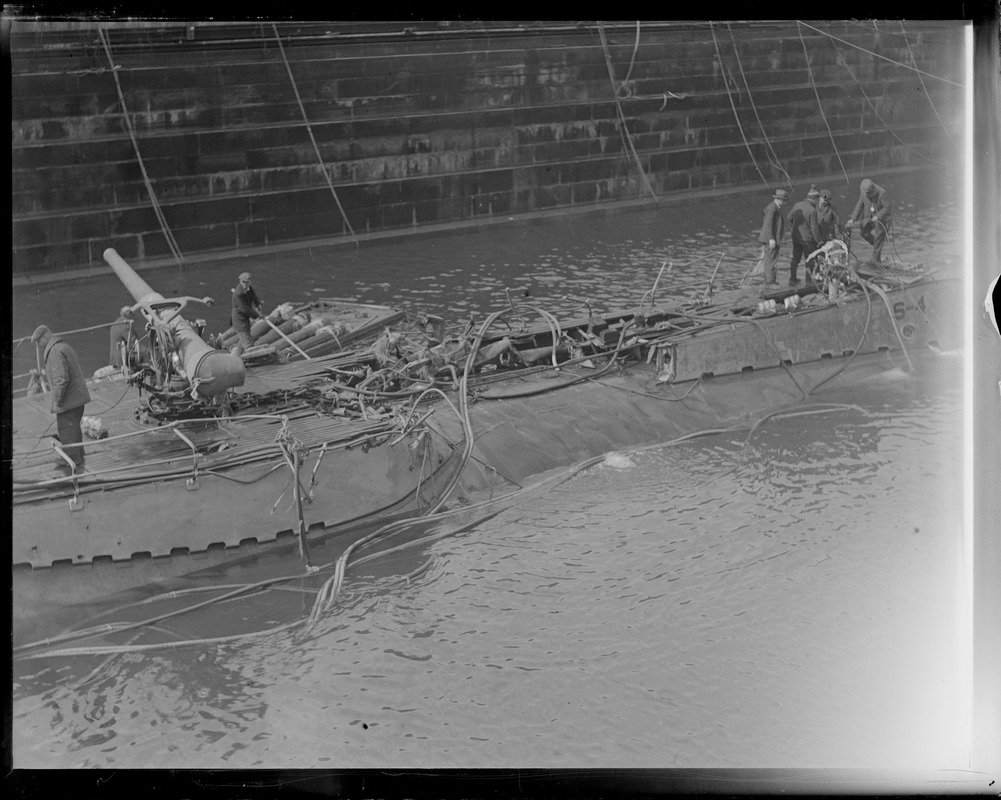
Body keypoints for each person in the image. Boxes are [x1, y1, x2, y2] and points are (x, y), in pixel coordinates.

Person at [31, 324, 92, 473]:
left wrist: (57, 401)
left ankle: (72, 459)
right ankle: (78, 454)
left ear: (44, 338)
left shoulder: (54, 351)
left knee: (66, 429)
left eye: (39, 342)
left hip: (69, 401)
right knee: (73, 428)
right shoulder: (64, 346)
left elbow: (61, 379)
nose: (39, 347)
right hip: (78, 398)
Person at [846, 178, 892, 263]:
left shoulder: (882, 193)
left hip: (882, 220)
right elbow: (859, 206)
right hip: (869, 217)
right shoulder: (863, 193)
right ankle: (878, 247)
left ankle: (875, 260)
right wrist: (852, 219)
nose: (867, 195)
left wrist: (877, 216)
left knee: (878, 238)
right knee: (864, 233)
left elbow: (887, 207)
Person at [786, 184, 822, 286]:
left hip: (795, 237)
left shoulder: (797, 205)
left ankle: (792, 279)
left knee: (795, 258)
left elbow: (789, 218)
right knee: (809, 260)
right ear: (815, 199)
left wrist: (796, 226)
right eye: (817, 200)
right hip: (808, 240)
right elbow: (814, 229)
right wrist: (819, 241)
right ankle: (808, 281)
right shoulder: (812, 211)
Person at [755, 188, 788, 288]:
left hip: (773, 238)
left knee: (772, 259)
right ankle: (770, 283)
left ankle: (770, 281)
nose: (784, 202)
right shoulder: (772, 208)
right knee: (771, 260)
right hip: (770, 239)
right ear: (778, 199)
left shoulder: (774, 207)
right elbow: (768, 225)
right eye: (783, 200)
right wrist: (771, 239)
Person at [231, 271, 264, 351]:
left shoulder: (249, 289)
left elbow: (254, 297)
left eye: (247, 282)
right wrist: (257, 315)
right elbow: (244, 309)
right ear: (240, 281)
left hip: (245, 319)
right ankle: (250, 354)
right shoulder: (238, 294)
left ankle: (236, 352)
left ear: (250, 281)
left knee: (246, 338)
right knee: (247, 342)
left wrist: (258, 304)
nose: (245, 284)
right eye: (243, 282)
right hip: (239, 320)